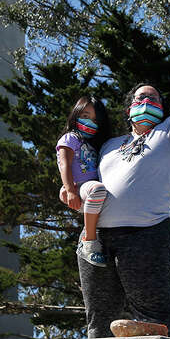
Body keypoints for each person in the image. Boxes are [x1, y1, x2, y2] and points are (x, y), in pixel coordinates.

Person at [62, 20, 170, 338]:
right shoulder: (109, 145)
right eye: (140, 99)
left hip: (145, 234)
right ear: (129, 109)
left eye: (154, 99)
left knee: (155, 311)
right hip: (96, 237)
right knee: (99, 320)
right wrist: (69, 189)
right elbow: (83, 175)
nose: (147, 103)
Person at [55, 96, 111, 267]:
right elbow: (64, 164)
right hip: (79, 187)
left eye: (95, 119)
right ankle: (89, 241)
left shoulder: (93, 144)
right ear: (76, 115)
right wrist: (70, 189)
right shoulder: (70, 138)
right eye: (85, 116)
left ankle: (94, 237)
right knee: (98, 190)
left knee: (99, 192)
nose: (90, 122)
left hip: (90, 189)